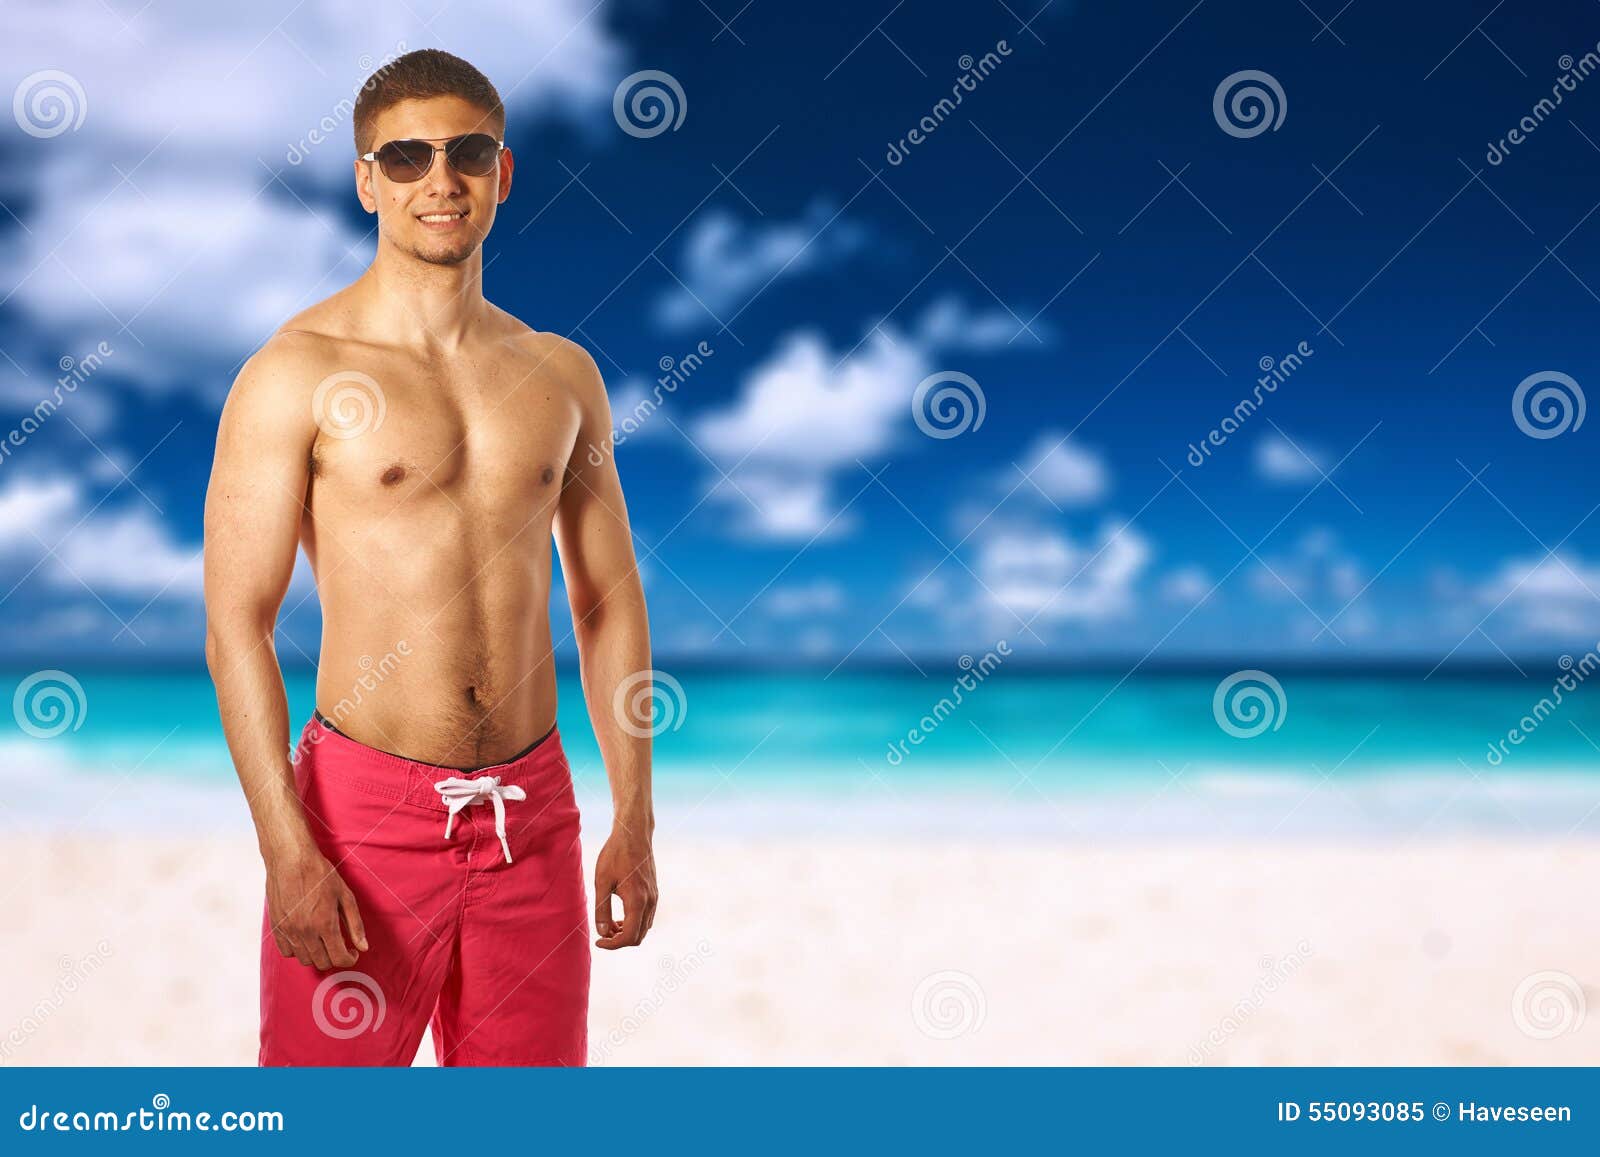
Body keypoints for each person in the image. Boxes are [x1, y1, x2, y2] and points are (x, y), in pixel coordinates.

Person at [203, 48, 657, 1067]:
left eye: (467, 152)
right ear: (367, 180)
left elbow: (606, 599)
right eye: (405, 157)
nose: (438, 181)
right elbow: (239, 621)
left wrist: (634, 810)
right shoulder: (295, 373)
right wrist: (287, 845)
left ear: (504, 171)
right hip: (360, 816)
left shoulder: (560, 372)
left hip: (531, 815)